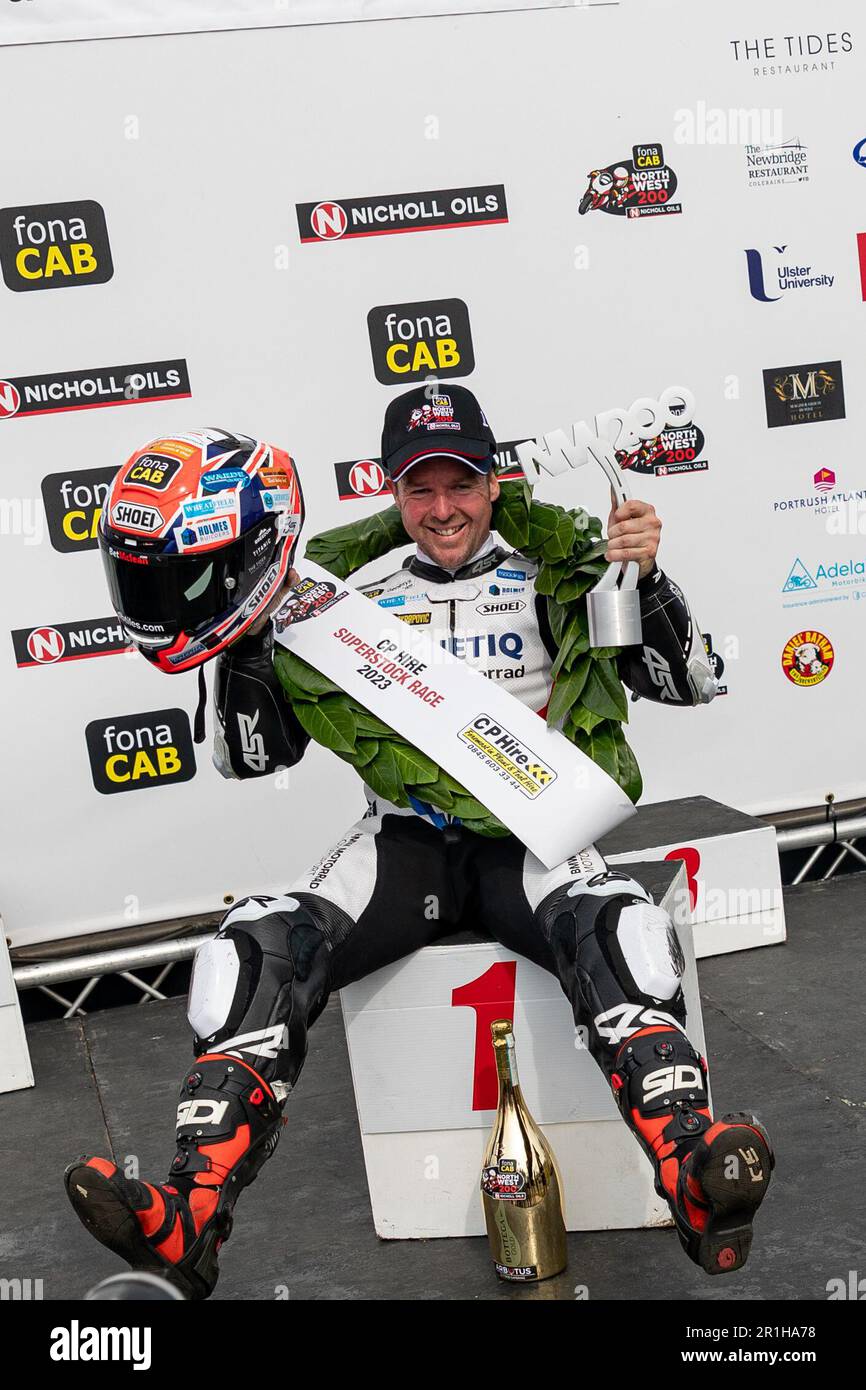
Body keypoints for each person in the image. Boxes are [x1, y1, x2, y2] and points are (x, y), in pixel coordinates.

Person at [66, 387, 773, 1299]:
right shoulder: (339, 599)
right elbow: (254, 758)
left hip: (531, 835)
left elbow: (688, 683)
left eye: (462, 483)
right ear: (392, 491)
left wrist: (647, 577)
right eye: (420, 488)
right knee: (256, 951)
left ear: (491, 478)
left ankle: (693, 1173)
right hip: (404, 847)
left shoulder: (561, 564)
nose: (444, 510)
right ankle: (189, 1215)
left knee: (622, 934)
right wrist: (242, 637)